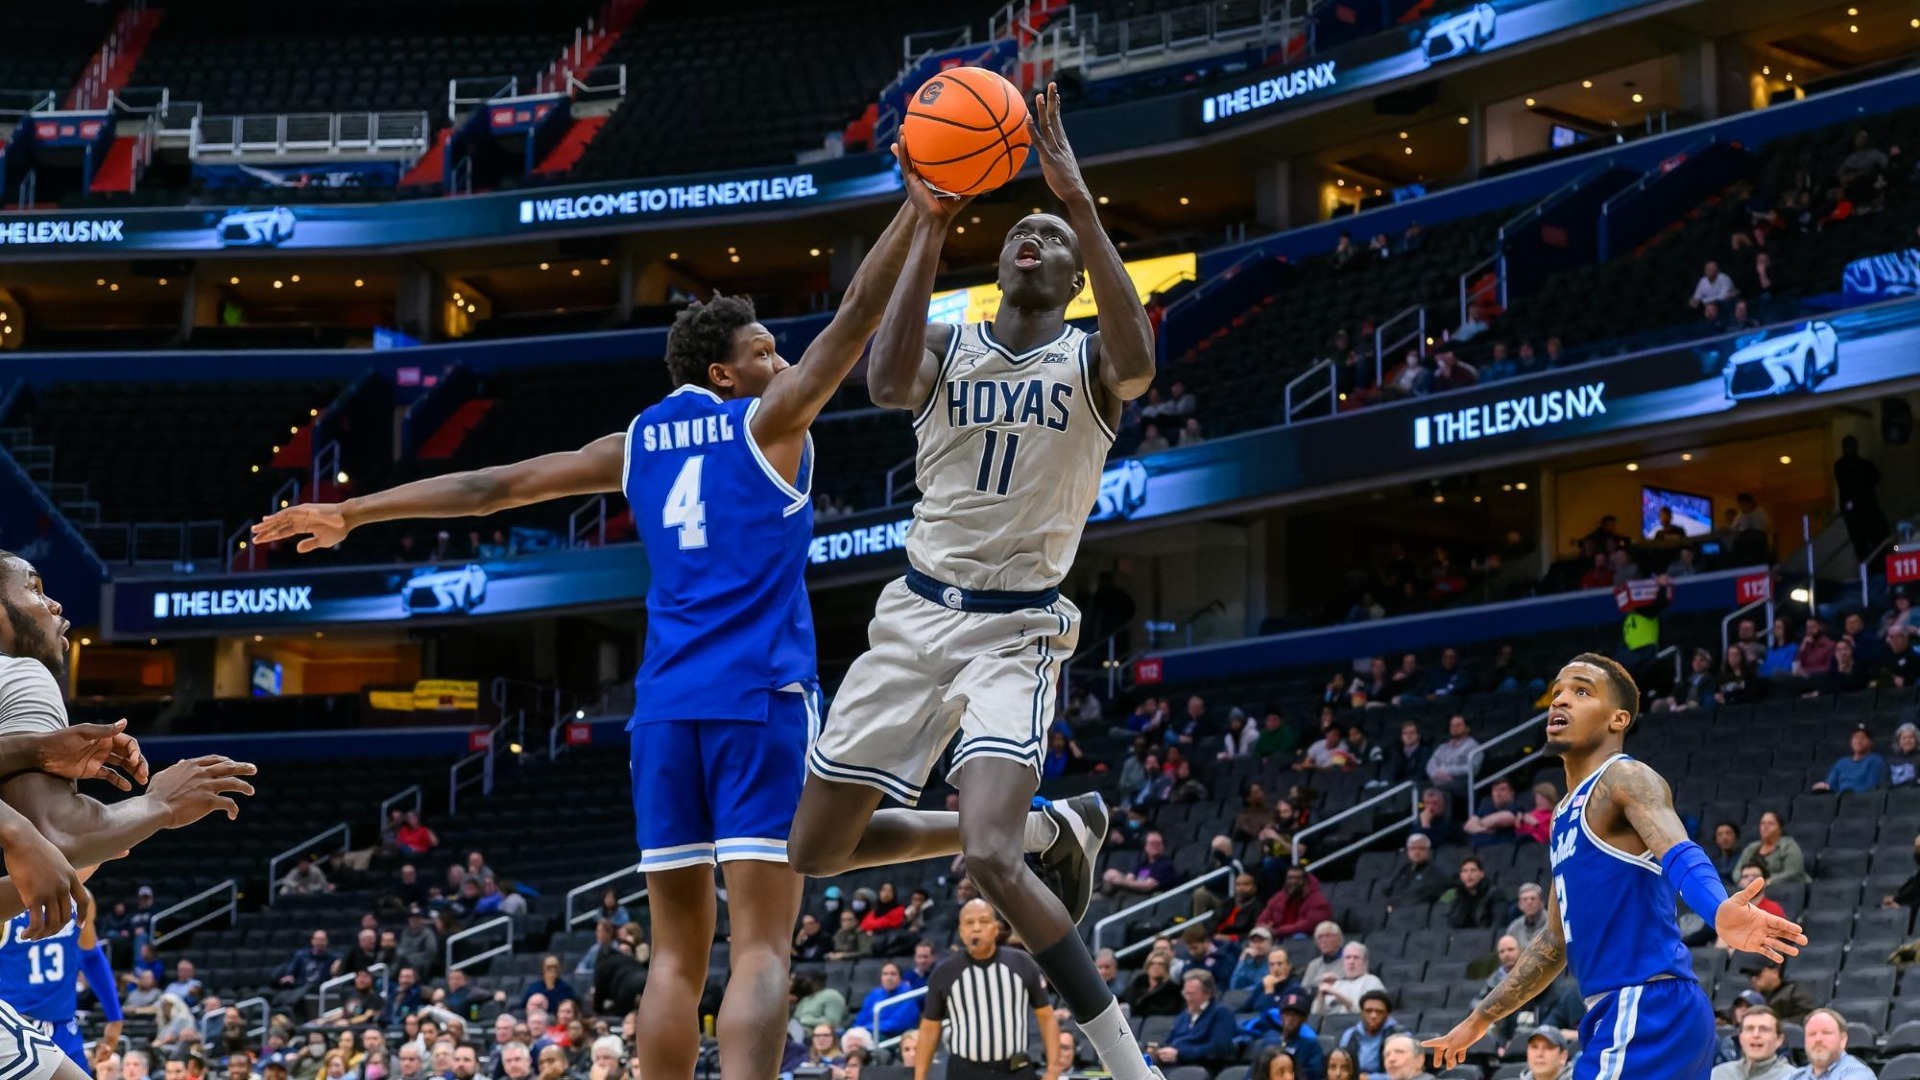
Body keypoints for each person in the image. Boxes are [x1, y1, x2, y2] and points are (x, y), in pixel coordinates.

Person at [253, 186, 930, 1080]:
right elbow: (856, 319)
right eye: (765, 351)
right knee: (763, 945)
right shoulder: (767, 421)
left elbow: (493, 487)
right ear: (724, 374)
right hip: (757, 697)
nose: (784, 361)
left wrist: (354, 512)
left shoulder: (639, 441)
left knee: (674, 957)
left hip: (663, 713)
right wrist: (921, 214)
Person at [785, 84, 1158, 1080]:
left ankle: (1127, 1063)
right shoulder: (951, 346)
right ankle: (1050, 827)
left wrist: (1077, 202)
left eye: (1053, 239)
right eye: (1021, 232)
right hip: (914, 614)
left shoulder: (1092, 362)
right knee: (814, 850)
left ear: (1075, 276)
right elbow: (884, 383)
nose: (1034, 238)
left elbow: (1141, 361)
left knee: (991, 860)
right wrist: (931, 221)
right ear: (998, 266)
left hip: (1015, 629)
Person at [1423, 653, 1806, 1079]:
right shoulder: (1562, 815)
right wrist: (1481, 1018)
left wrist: (1717, 910)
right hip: (1630, 1010)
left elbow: (1679, 850)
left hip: (1645, 1007)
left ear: (1618, 719)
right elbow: (1554, 942)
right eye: (1557, 691)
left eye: (1581, 691)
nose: (1560, 700)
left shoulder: (1623, 778)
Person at [912, 899, 1062, 1080]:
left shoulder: (1022, 963)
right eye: (969, 923)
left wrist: (1053, 1069)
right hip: (965, 1072)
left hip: (1015, 1071)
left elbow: (1046, 1016)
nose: (976, 928)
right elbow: (929, 1028)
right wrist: (919, 1077)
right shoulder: (944, 972)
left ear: (995, 928)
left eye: (983, 921)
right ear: (961, 931)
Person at [0, 884, 122, 1073]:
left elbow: (90, 956)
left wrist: (115, 1017)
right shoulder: (6, 901)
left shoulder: (81, 897)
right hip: (15, 1029)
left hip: (63, 1027)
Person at [1833, 436, 1890, 564]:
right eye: (1848, 446)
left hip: (1867, 509)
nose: (1850, 449)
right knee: (1862, 542)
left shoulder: (1861, 465)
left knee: (1876, 538)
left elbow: (1876, 477)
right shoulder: (1845, 466)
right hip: (1859, 511)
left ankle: (1876, 563)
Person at [1336, 992, 1405, 1080]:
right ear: (1362, 1013)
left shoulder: (1400, 1036)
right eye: (1368, 1011)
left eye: (1379, 1012)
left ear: (1388, 1014)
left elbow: (1404, 1074)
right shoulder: (1350, 1034)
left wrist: (1370, 1078)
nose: (1373, 1016)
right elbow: (1339, 1065)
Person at [1711, 1005, 1791, 1080]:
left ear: (1779, 1040)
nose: (1755, 1035)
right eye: (1749, 1029)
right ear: (1740, 1038)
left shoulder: (1792, 1077)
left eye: (1764, 1029)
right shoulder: (1718, 1074)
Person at [1791, 1008, 1872, 1080]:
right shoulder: (1794, 1076)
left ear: (1842, 1039)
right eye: (1812, 1034)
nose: (1818, 1039)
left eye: (1826, 1033)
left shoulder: (1859, 1074)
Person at [1737, 812, 1810, 885]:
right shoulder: (1751, 848)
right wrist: (1744, 879)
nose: (1765, 827)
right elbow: (1737, 872)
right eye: (1762, 823)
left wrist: (1768, 881)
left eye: (1771, 823)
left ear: (1780, 828)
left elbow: (1794, 872)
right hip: (1754, 886)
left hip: (1786, 887)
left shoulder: (1788, 845)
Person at [1811, 725, 1888, 793]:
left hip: (1862, 801)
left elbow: (1872, 787)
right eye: (1856, 737)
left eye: (1863, 738)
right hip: (1840, 799)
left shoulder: (1875, 760)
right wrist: (1823, 786)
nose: (1859, 741)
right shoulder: (1841, 763)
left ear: (1870, 742)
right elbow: (1831, 785)